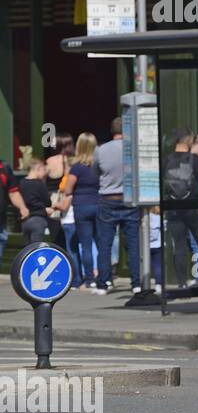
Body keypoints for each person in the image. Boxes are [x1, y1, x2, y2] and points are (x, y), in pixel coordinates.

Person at [162, 128, 198, 289]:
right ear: (188, 142)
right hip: (193, 208)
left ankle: (181, 282)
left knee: (179, 245)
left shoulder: (165, 161)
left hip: (173, 208)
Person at [94, 116, 142, 294]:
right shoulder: (133, 148)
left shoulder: (101, 149)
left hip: (108, 198)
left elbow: (95, 171)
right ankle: (136, 283)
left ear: (112, 131)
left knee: (105, 244)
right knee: (133, 243)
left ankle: (103, 283)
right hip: (130, 198)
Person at [63, 133, 102, 291]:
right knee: (102, 244)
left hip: (81, 207)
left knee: (85, 245)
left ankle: (90, 279)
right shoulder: (98, 165)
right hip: (99, 205)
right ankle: (104, 276)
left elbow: (67, 189)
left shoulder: (77, 167)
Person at [17, 158, 58, 243]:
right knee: (36, 248)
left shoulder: (21, 183)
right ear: (38, 169)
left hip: (25, 220)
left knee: (28, 249)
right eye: (44, 170)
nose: (44, 173)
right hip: (38, 219)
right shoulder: (39, 184)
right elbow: (48, 202)